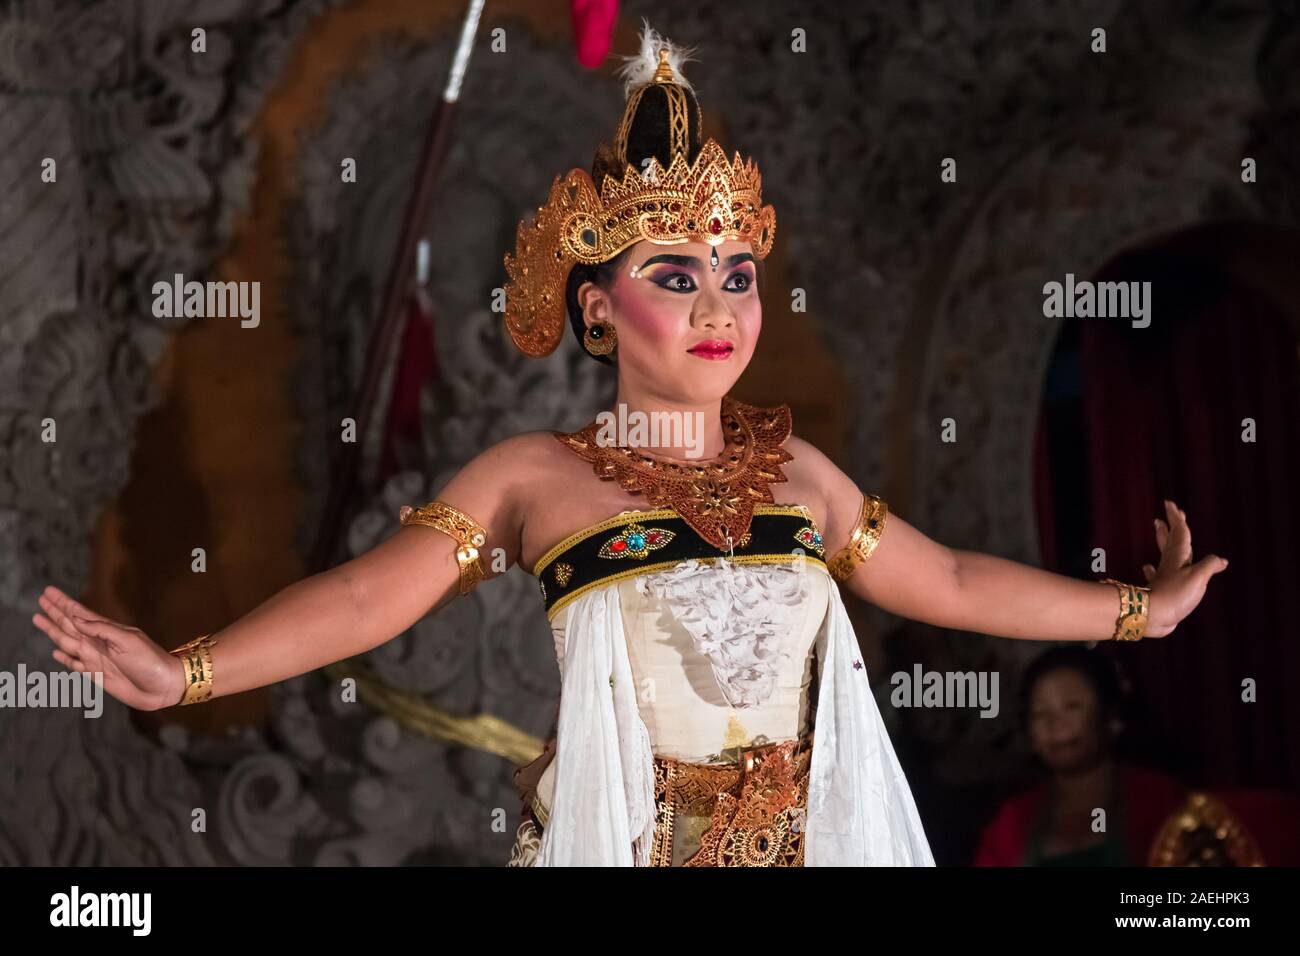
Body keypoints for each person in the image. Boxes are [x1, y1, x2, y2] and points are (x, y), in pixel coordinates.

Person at [32, 22, 1228, 867]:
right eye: (675, 275)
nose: (718, 306)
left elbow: (958, 581)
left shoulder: (800, 474)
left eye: (739, 275)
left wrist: (1140, 611)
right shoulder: (531, 478)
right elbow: (358, 602)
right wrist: (183, 671)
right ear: (597, 306)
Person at [974, 646, 1186, 866]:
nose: (1055, 725)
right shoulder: (1011, 821)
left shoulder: (1159, 801)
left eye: (1072, 707)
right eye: (1040, 713)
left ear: (1111, 716)